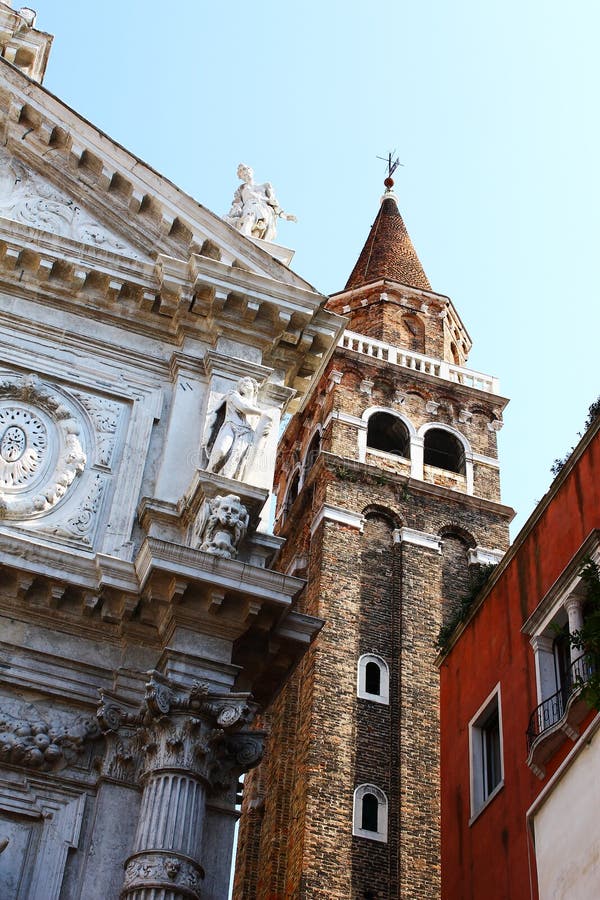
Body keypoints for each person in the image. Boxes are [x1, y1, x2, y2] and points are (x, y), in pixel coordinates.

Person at [204, 377, 271, 481]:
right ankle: (209, 471)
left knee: (236, 460)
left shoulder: (255, 406)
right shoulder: (232, 395)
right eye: (242, 383)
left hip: (246, 433)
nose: (244, 385)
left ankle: (226, 479)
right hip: (230, 426)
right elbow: (243, 407)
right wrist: (262, 413)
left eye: (247, 383)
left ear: (254, 389)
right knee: (221, 450)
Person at [224, 164, 296, 242]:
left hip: (263, 208)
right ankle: (247, 233)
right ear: (240, 177)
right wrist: (231, 215)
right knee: (249, 216)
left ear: (251, 171)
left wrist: (283, 215)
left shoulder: (265, 185)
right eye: (241, 171)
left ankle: (249, 233)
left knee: (254, 214)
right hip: (248, 208)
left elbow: (273, 202)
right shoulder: (241, 190)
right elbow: (237, 205)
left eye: (245, 169)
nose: (245, 171)